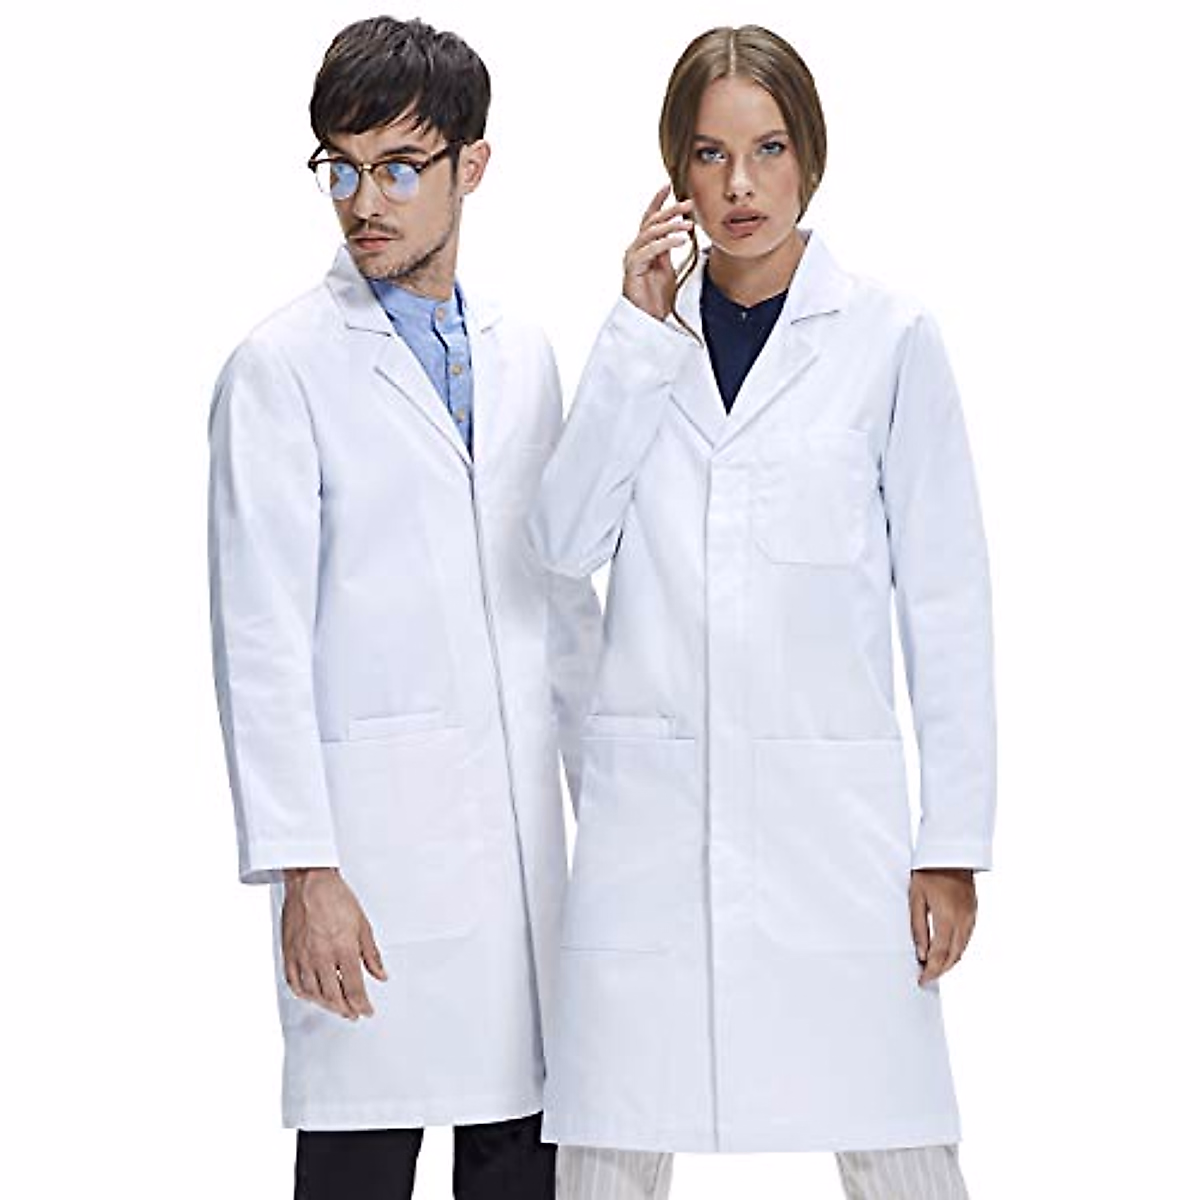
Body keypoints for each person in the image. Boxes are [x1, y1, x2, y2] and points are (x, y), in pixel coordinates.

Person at [526, 24, 995, 1200]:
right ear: (675, 174)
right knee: (613, 1137)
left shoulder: (889, 341)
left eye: (768, 148)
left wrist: (951, 844)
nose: (740, 185)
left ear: (810, 158)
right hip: (654, 830)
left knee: (895, 1140)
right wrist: (635, 335)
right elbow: (562, 545)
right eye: (709, 154)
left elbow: (947, 603)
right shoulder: (646, 344)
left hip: (831, 829)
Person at [207, 17, 600, 1200]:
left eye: (396, 168)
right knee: (359, 1162)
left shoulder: (525, 355)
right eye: (340, 168)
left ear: (472, 166)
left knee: (523, 1156)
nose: (362, 203)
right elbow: (259, 639)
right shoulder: (280, 369)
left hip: (527, 863)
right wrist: (304, 871)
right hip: (371, 866)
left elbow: (563, 611)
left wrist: (616, 810)